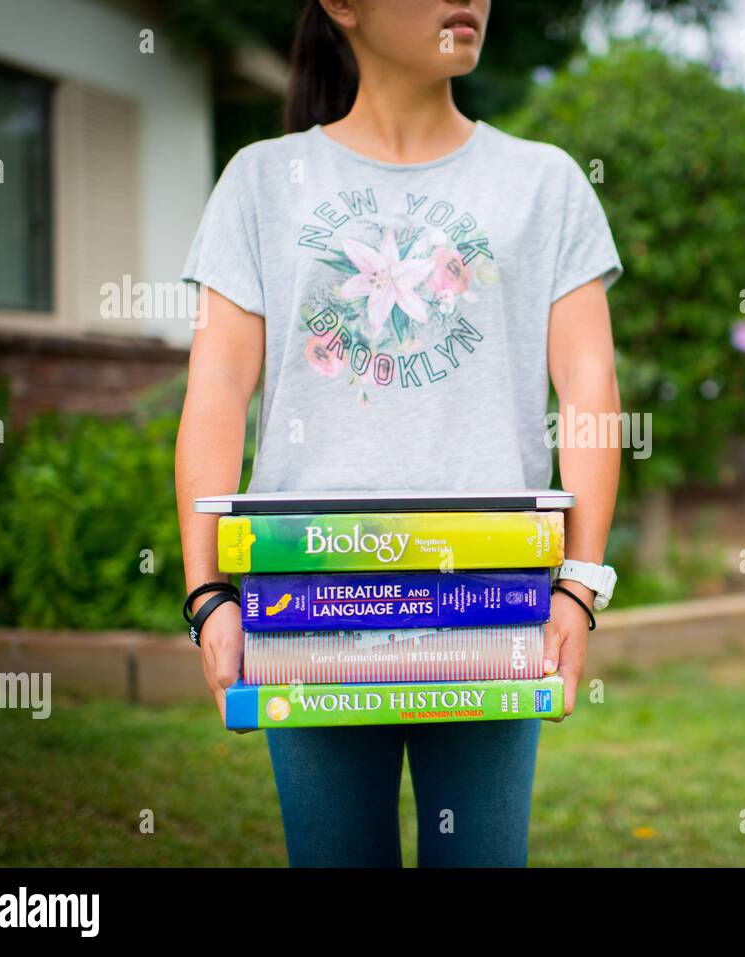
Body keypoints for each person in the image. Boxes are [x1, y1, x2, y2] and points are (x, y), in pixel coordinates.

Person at [174, 0, 622, 867]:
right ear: (342, 5)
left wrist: (578, 583)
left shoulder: (545, 182)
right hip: (306, 608)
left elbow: (591, 385)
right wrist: (207, 595)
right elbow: (219, 387)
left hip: (493, 611)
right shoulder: (261, 182)